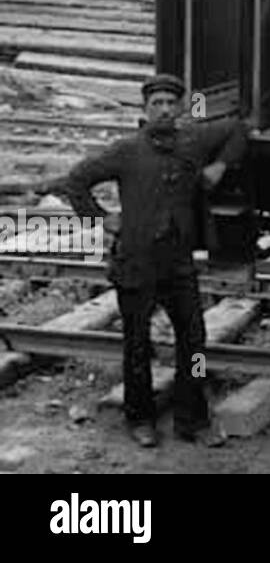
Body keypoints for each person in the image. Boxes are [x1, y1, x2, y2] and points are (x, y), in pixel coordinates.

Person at [45, 74, 248, 448]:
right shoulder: (126, 150)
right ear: (144, 109)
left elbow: (237, 128)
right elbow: (76, 181)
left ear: (181, 108)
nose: (165, 110)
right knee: (137, 345)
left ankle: (193, 419)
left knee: (195, 341)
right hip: (136, 263)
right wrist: (101, 217)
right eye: (158, 104)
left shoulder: (193, 141)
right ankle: (139, 418)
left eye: (172, 103)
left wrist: (219, 167)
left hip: (179, 264)